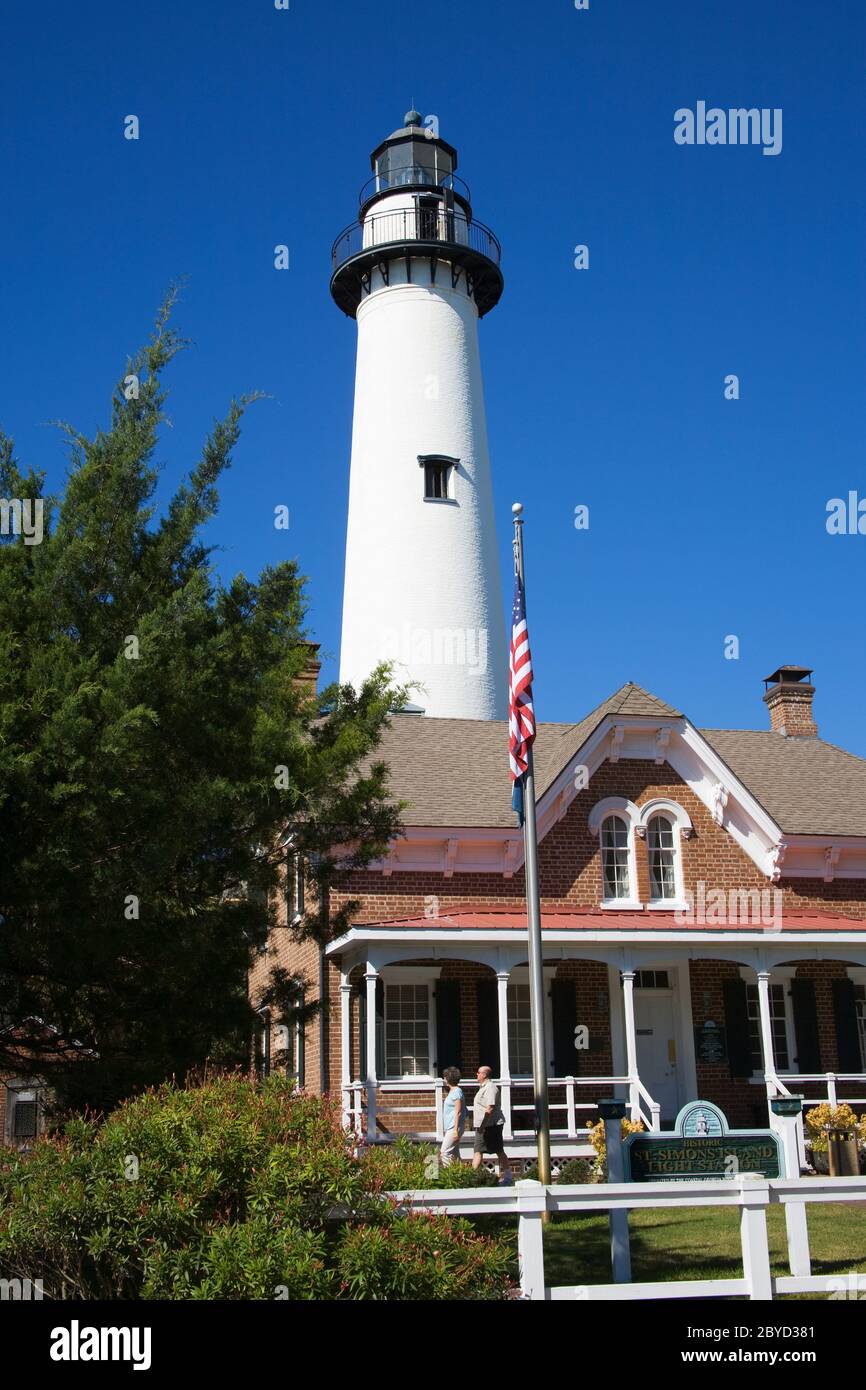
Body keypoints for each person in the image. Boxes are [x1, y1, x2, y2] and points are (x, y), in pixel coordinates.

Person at [471, 1064, 513, 1185]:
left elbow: (490, 1108)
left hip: (491, 1125)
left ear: (484, 1075)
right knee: (478, 1150)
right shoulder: (483, 1087)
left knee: (497, 1150)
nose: (477, 1074)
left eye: (479, 1072)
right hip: (483, 1125)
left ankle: (508, 1176)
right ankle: (472, 1177)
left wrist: (482, 1126)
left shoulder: (490, 1088)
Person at [439, 1066, 465, 1168]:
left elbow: (458, 1111)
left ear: (448, 1078)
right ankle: (463, 1174)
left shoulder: (457, 1092)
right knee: (455, 1153)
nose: (444, 1079)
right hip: (452, 1126)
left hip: (454, 1127)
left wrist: (455, 1130)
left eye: (445, 1077)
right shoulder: (453, 1091)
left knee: (444, 1152)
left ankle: (450, 1175)